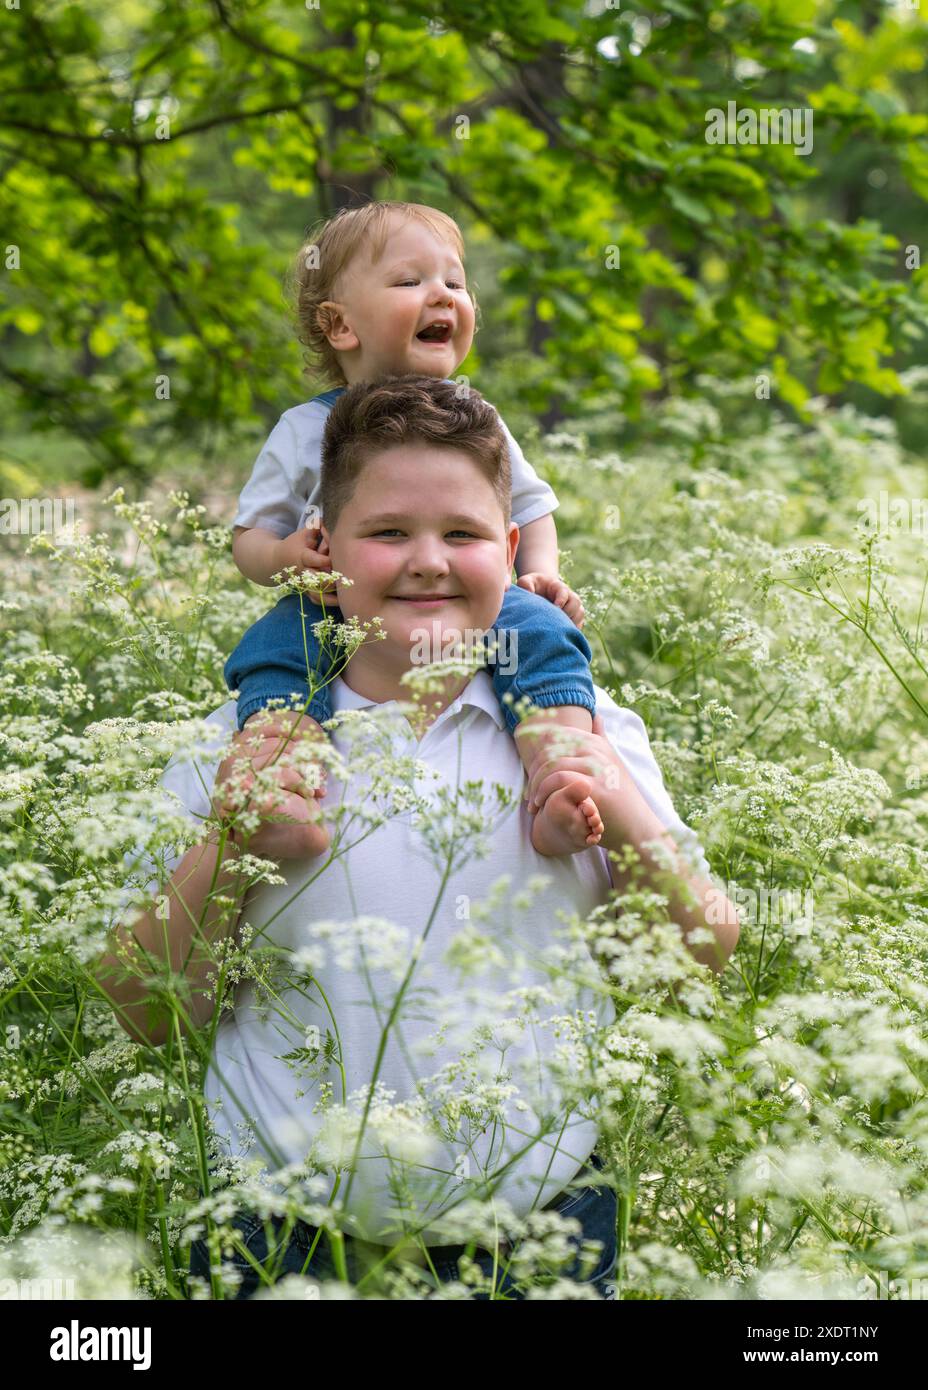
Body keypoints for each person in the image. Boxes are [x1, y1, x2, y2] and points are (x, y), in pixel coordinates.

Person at [92, 376, 740, 1300]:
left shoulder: (577, 728)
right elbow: (141, 1008)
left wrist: (615, 800)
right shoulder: (243, 742)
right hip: (280, 1242)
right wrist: (234, 846)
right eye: (388, 534)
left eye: (464, 535)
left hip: (541, 1235)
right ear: (322, 555)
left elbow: (703, 951)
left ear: (512, 551)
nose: (427, 562)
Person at [226, 199, 602, 855]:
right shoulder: (303, 429)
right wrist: (287, 557)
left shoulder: (474, 420)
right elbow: (249, 540)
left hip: (471, 599)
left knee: (543, 633)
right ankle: (279, 787)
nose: (443, 296)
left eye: (455, 283)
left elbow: (531, 508)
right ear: (340, 325)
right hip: (331, 601)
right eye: (411, 282)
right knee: (275, 654)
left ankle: (561, 778)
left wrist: (542, 574)